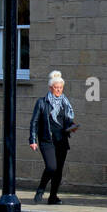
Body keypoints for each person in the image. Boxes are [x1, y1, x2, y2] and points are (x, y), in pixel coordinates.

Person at [29, 70, 77, 204]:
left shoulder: (65, 103)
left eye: (61, 88)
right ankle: (40, 190)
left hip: (61, 140)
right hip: (47, 140)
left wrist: (72, 127)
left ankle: (53, 197)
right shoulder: (42, 102)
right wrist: (32, 140)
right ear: (50, 88)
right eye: (56, 88)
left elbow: (67, 120)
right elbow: (34, 122)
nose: (59, 90)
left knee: (58, 170)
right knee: (51, 167)